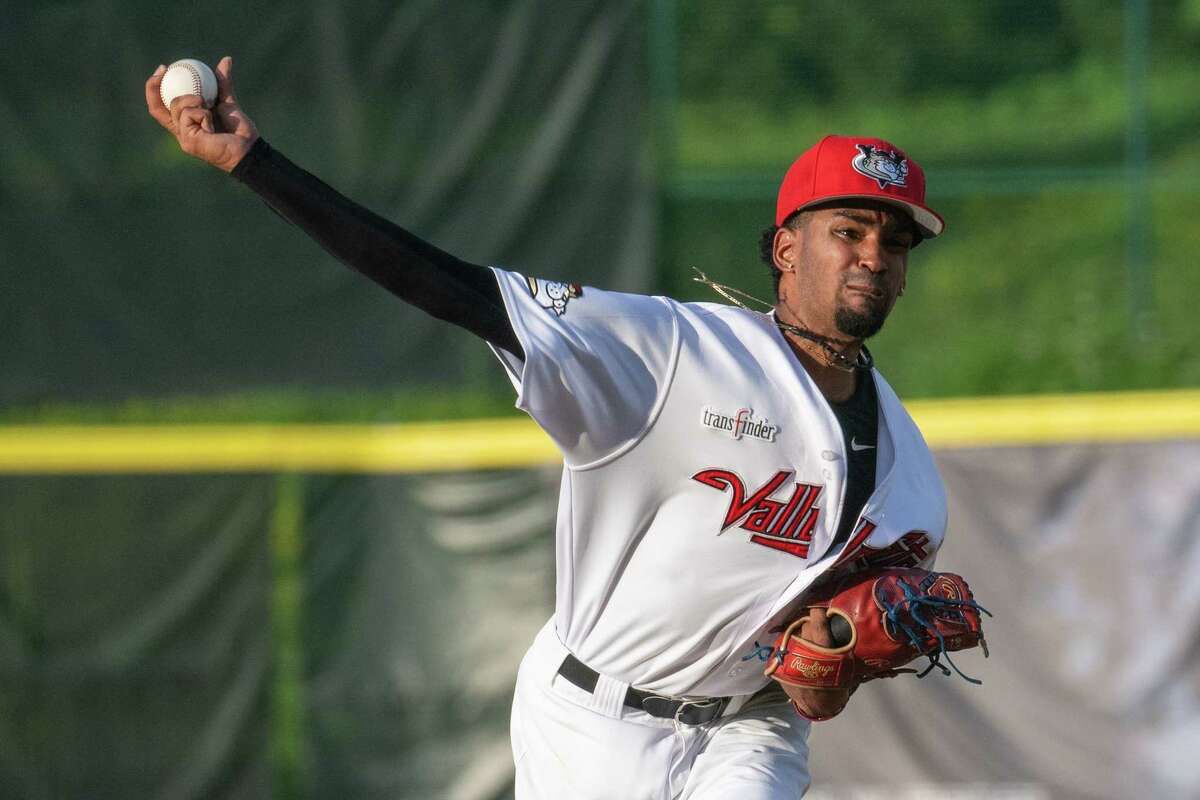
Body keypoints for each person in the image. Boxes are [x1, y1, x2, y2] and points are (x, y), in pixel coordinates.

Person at [146, 57, 949, 799]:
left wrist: (845, 656)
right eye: (849, 230)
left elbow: (842, 648)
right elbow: (447, 287)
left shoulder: (913, 477)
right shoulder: (672, 352)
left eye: (894, 240)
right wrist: (256, 164)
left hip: (751, 731)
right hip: (593, 720)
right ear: (785, 246)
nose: (873, 255)